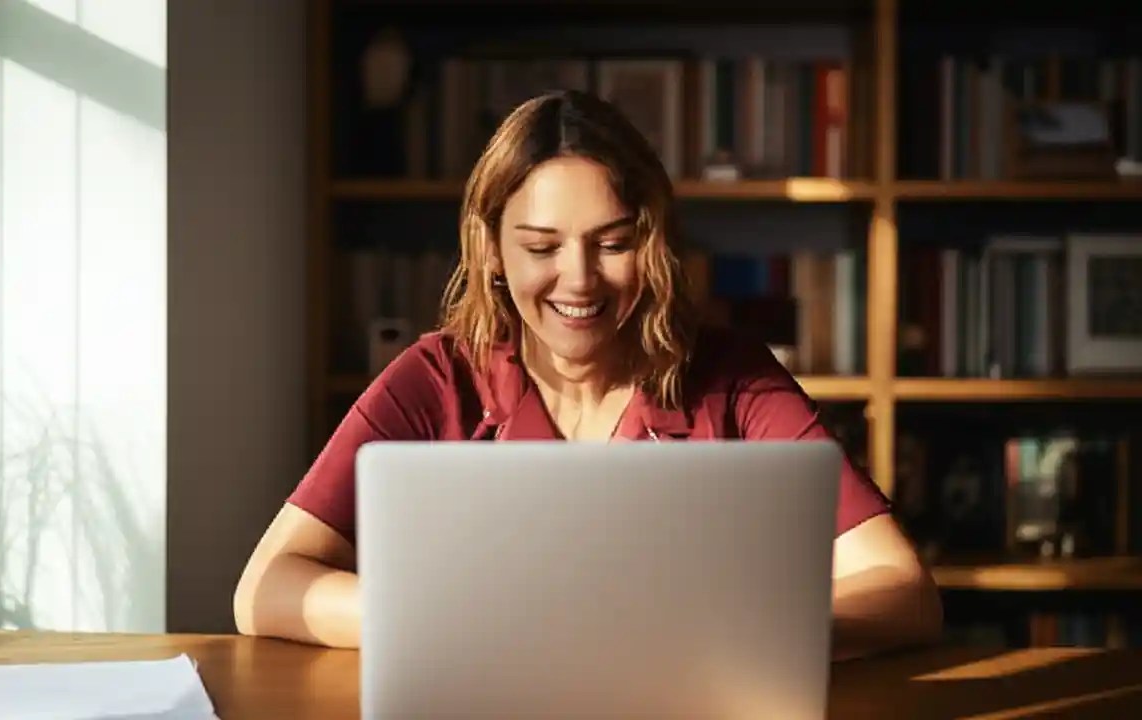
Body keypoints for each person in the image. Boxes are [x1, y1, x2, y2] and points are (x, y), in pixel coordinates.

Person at [233, 89, 942, 659]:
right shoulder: (435, 377)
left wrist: (746, 635)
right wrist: (454, 622)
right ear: (489, 249)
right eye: (541, 246)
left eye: (613, 243)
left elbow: (902, 588)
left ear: (653, 242)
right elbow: (265, 590)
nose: (579, 280)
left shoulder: (734, 378)